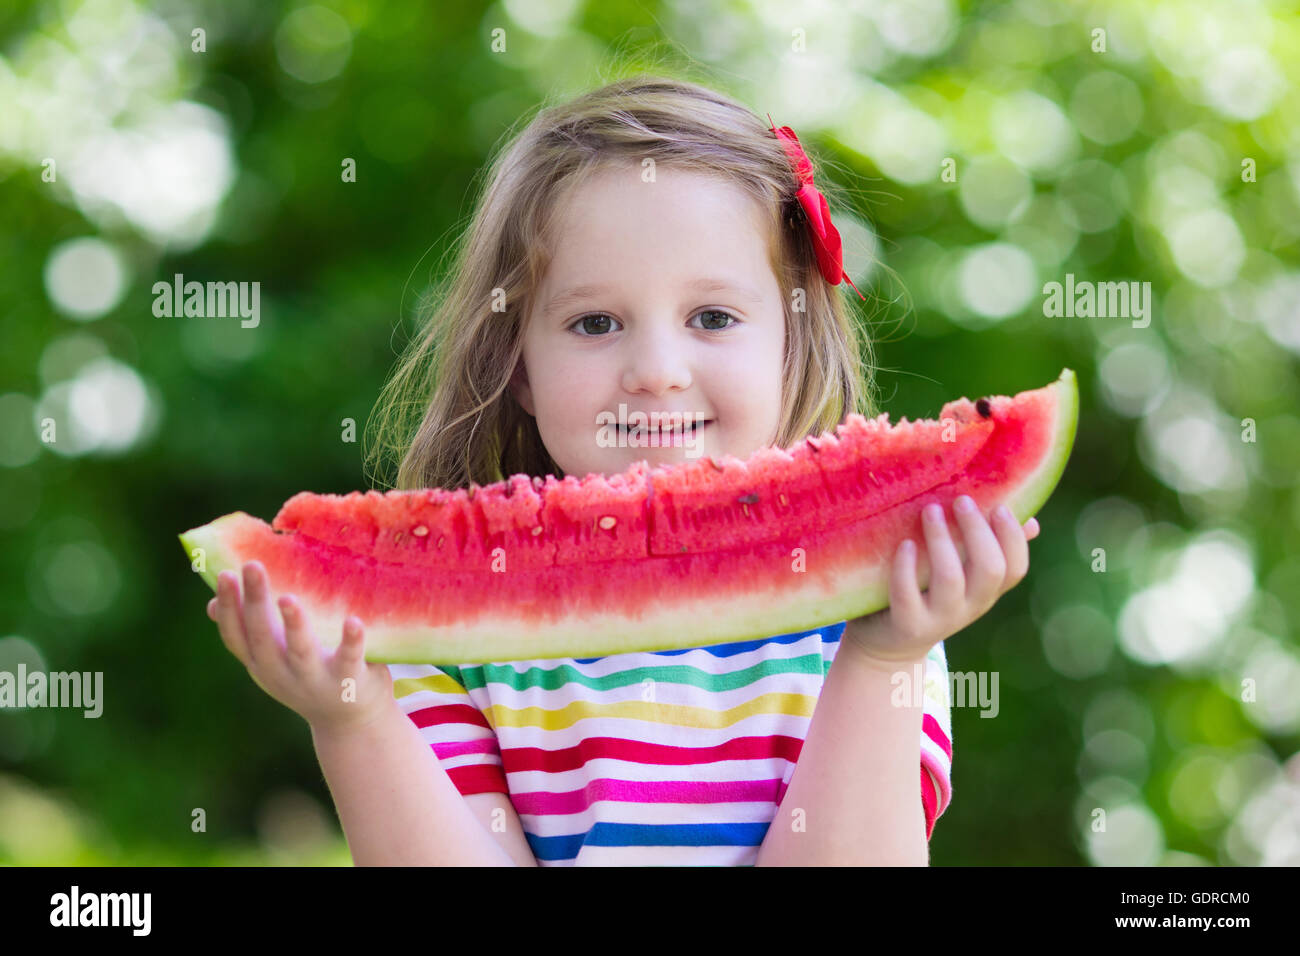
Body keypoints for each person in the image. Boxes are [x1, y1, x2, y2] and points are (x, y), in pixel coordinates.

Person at [206, 74, 1039, 866]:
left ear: (792, 350)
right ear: (518, 366)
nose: (656, 369)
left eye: (712, 316)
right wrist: (353, 719)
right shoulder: (447, 651)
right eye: (595, 322)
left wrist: (883, 659)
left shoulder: (878, 615)